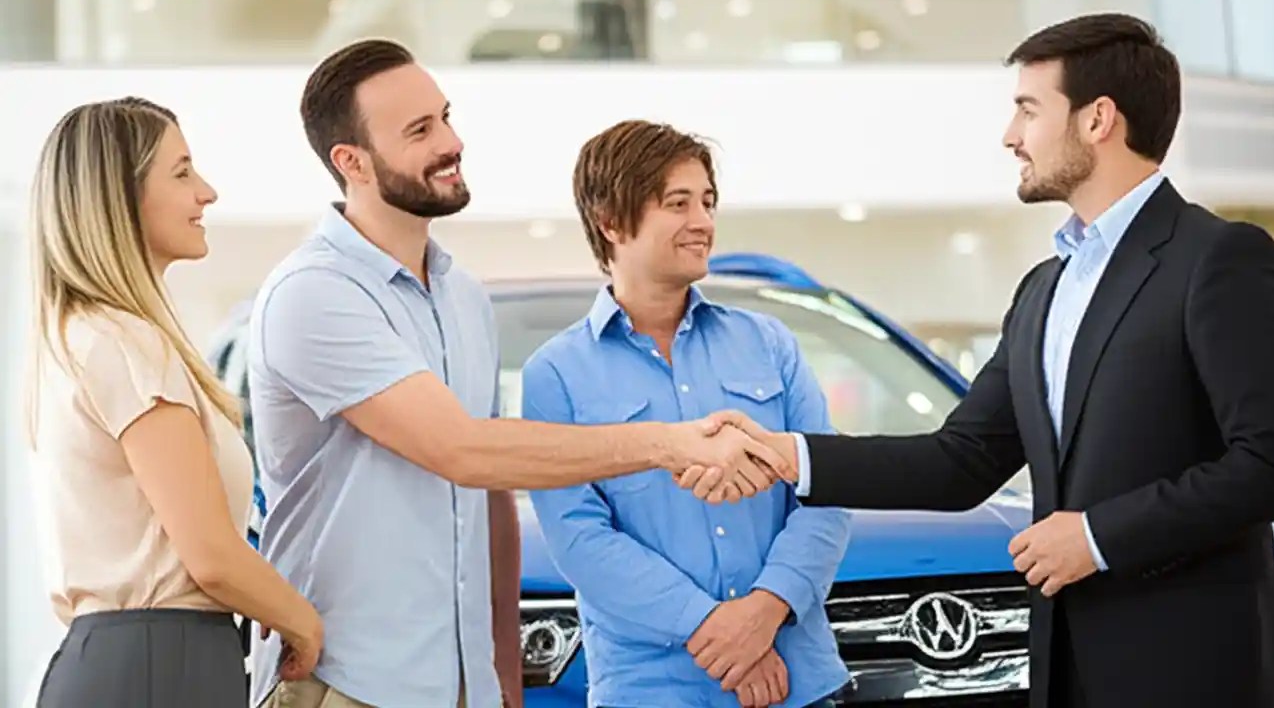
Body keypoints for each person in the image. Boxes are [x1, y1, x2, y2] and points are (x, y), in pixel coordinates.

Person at [693, 12, 1274, 708]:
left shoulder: (1217, 259)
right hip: (1063, 667)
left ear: (1098, 119)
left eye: (1029, 110)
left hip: (1193, 669)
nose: (1011, 137)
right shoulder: (1043, 290)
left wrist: (1097, 537)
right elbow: (962, 459)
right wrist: (790, 457)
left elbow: (1268, 462)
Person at [246, 39, 789, 708]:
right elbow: (462, 451)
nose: (452, 141)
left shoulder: (461, 296)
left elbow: (492, 489)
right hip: (344, 681)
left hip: (460, 683)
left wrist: (502, 666)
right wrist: (669, 443)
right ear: (351, 162)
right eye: (421, 131)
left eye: (445, 117)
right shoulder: (315, 293)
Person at [523, 119, 855, 708]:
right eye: (678, 203)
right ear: (611, 222)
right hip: (652, 689)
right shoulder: (555, 375)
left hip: (795, 679)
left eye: (706, 201)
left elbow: (825, 487)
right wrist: (715, 630)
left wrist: (764, 611)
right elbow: (579, 538)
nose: (703, 221)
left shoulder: (769, 343)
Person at [25, 97, 324, 708]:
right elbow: (211, 554)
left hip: (130, 661)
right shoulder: (128, 345)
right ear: (118, 196)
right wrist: (306, 623)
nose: (206, 193)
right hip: (162, 662)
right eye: (182, 172)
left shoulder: (84, 338)